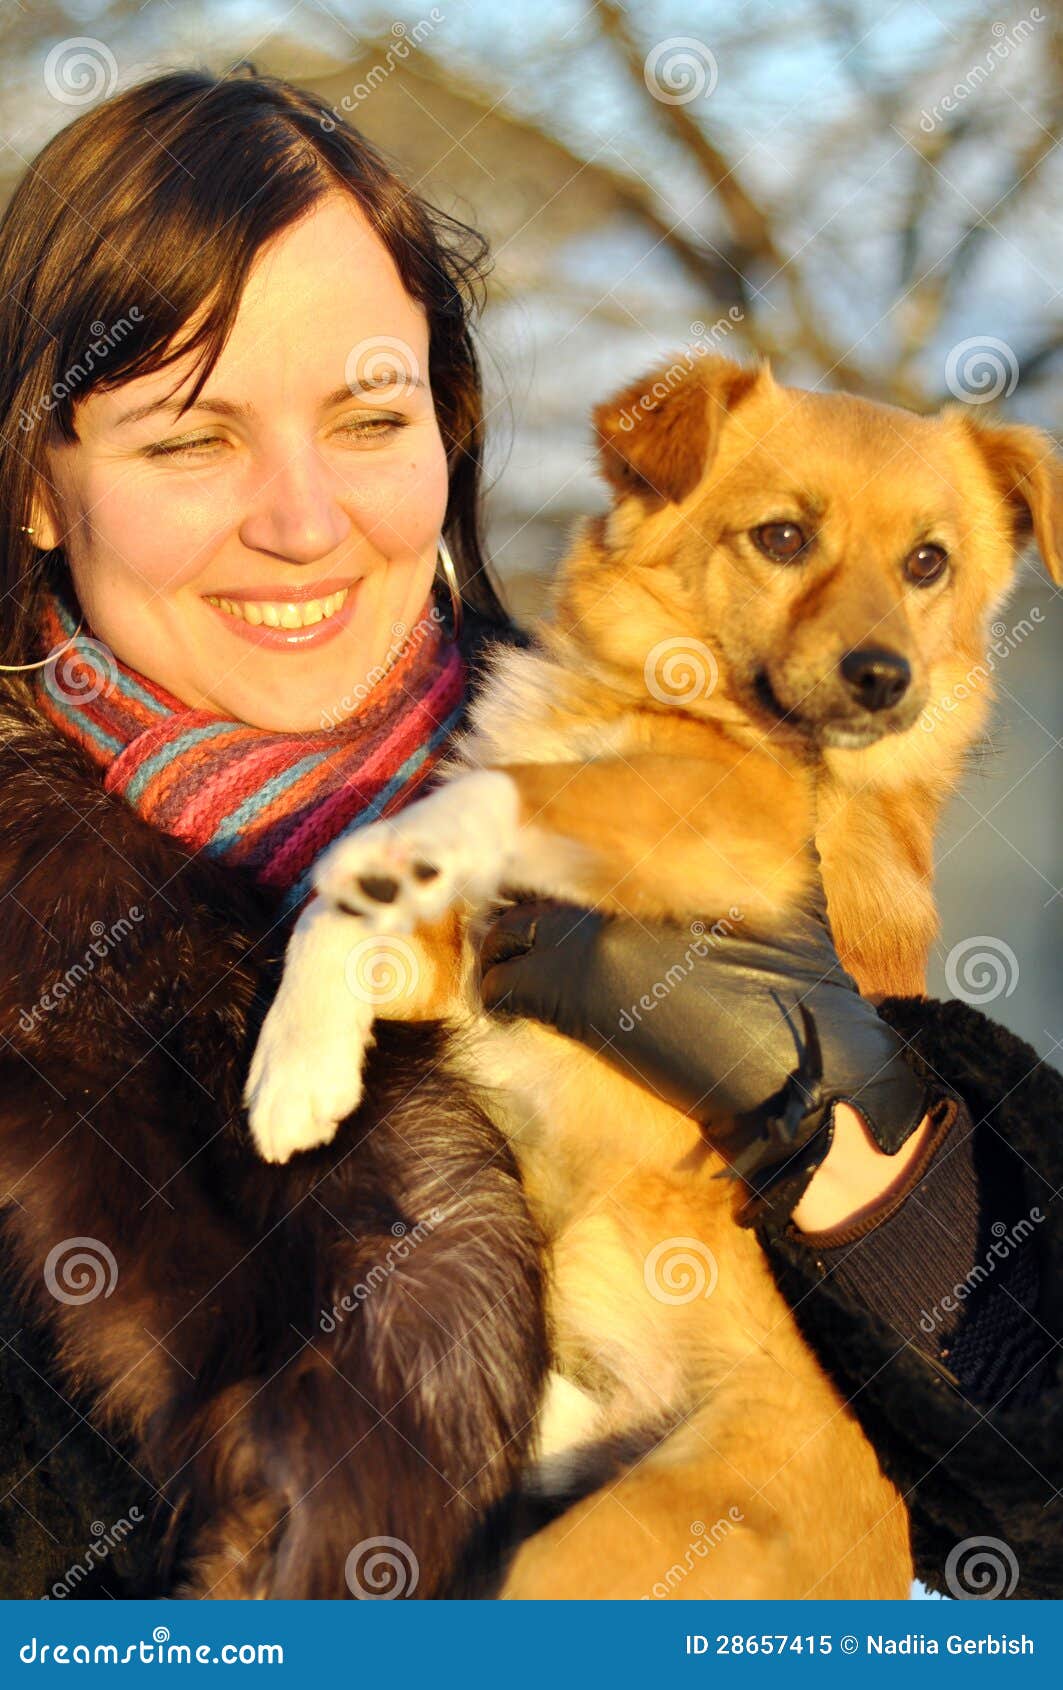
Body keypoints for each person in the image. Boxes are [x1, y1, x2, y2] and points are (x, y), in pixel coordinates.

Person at [0, 65, 1057, 1602]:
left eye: (370, 417)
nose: (303, 519)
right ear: (38, 481)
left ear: (452, 436)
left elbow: (1028, 1530)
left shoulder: (759, 784)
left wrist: (854, 1138)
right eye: (190, 440)